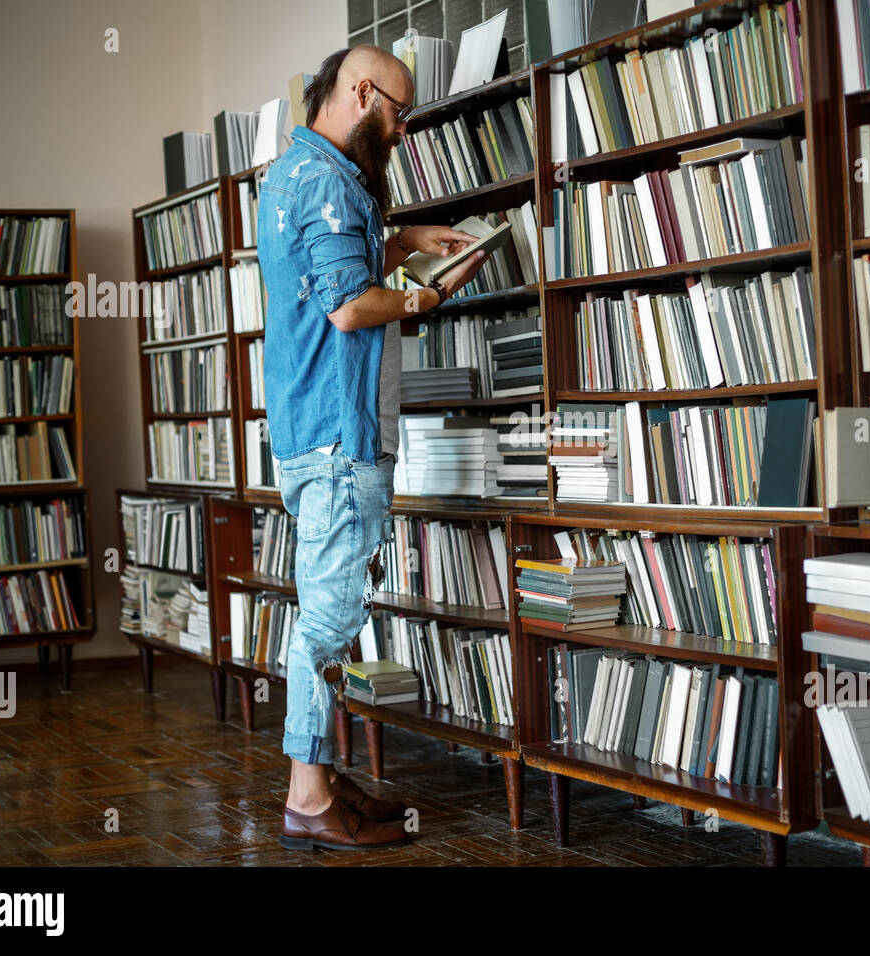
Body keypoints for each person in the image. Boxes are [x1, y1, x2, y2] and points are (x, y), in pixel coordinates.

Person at [256, 44, 489, 850]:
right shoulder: (328, 184)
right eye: (398, 111)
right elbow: (350, 308)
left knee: (324, 611)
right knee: (325, 620)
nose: (401, 129)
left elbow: (333, 276)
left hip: (309, 429)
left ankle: (317, 778)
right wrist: (427, 290)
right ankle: (309, 798)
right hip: (337, 432)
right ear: (362, 93)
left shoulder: (297, 173)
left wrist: (399, 241)